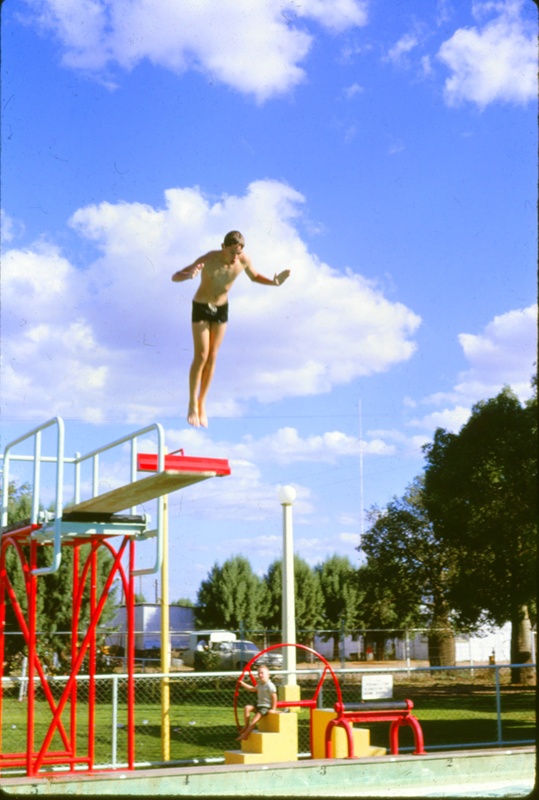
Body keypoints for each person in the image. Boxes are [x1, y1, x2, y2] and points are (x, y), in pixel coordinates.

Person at [172, 231, 291, 427]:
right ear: (223, 247)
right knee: (201, 355)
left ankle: (202, 404)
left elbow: (254, 276)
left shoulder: (243, 260)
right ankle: (192, 403)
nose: (236, 257)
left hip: (221, 310)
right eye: (232, 252)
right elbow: (175, 277)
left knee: (213, 357)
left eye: (239, 252)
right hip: (202, 307)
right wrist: (189, 275)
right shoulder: (209, 259)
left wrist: (274, 282)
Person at [236, 664, 278, 741]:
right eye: (259, 673)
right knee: (247, 707)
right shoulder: (260, 684)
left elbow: (274, 697)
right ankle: (246, 726)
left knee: (254, 721)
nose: (260, 675)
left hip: (265, 707)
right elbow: (252, 689)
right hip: (259, 705)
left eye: (262, 673)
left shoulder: (270, 685)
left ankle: (245, 735)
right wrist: (243, 684)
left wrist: (273, 709)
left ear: (268, 675)